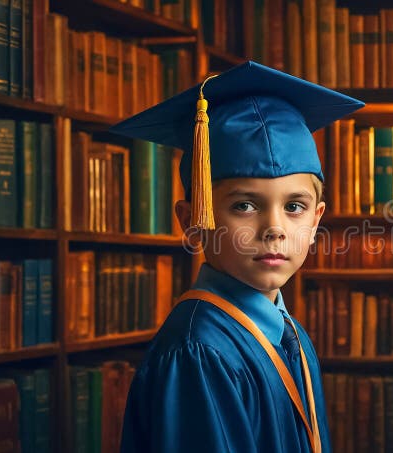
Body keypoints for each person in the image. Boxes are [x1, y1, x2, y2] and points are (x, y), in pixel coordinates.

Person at [110, 61, 364, 452]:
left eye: (295, 207)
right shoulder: (198, 352)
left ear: (316, 221)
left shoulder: (291, 334)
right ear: (192, 221)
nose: (274, 228)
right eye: (245, 205)